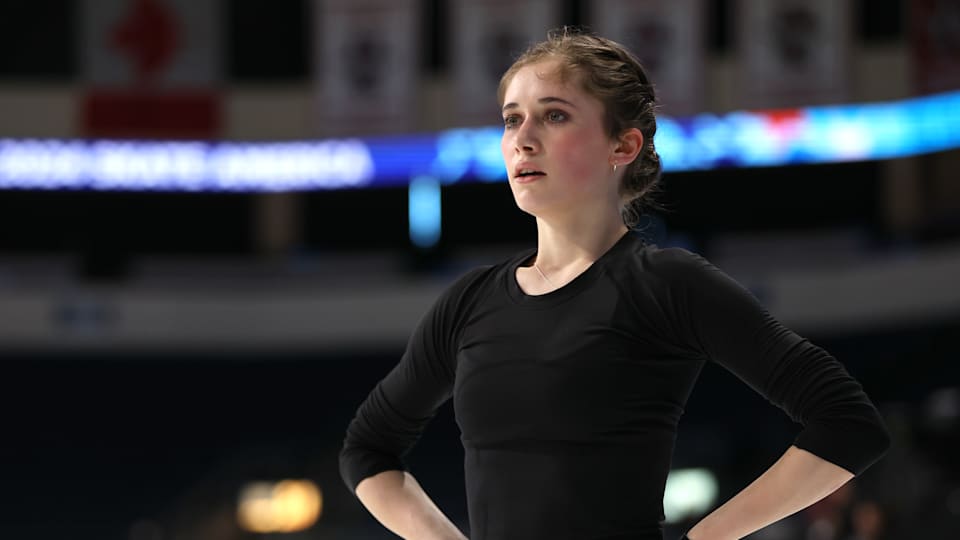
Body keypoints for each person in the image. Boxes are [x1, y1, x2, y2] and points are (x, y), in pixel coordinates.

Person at [339, 27, 890, 540]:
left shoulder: (666, 283)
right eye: (512, 119)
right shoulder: (469, 302)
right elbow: (368, 449)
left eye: (553, 116)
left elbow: (848, 423)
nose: (522, 140)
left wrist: (706, 536)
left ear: (622, 147)